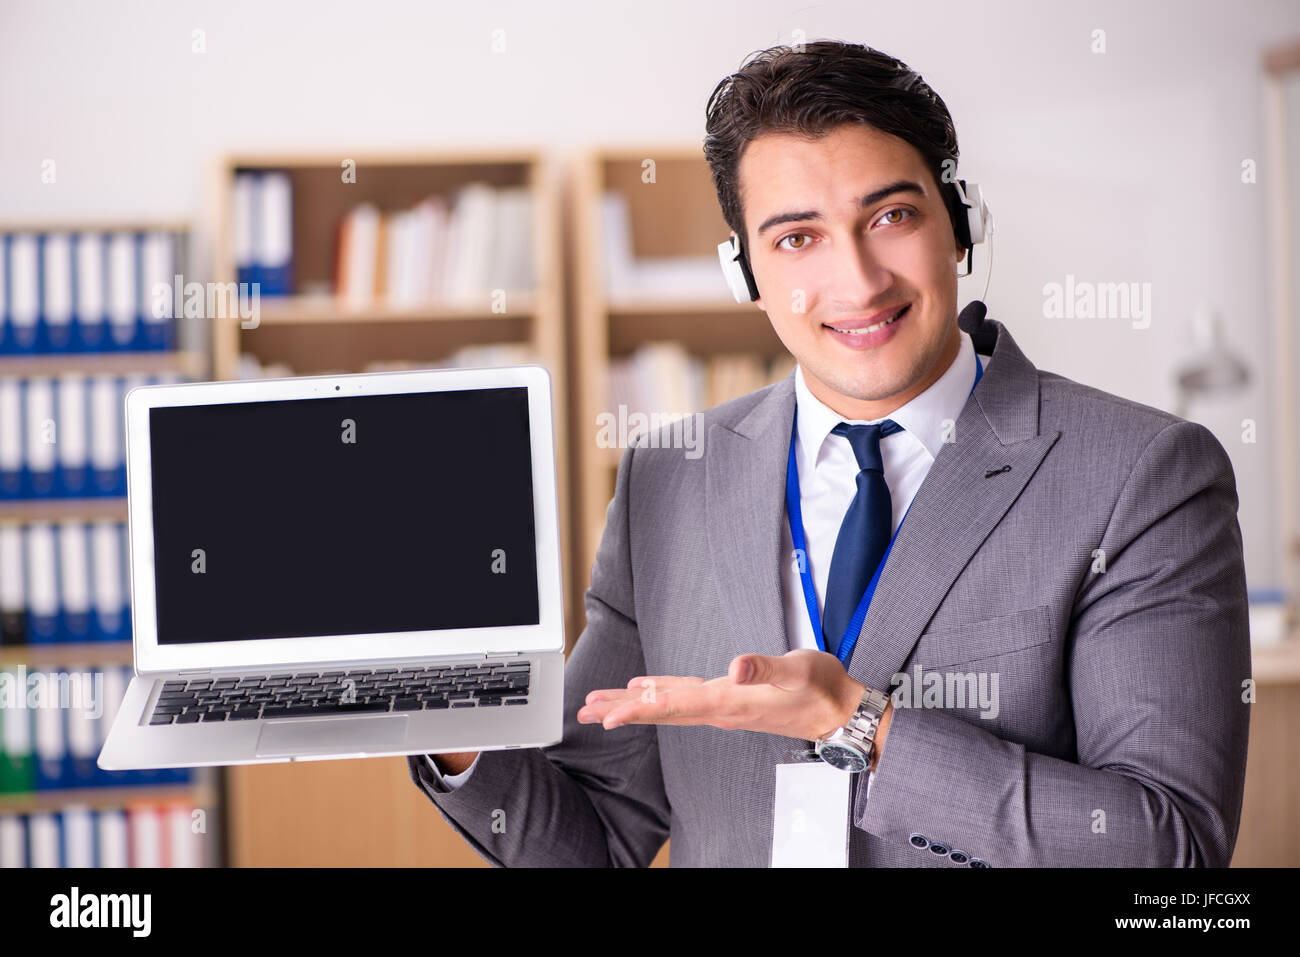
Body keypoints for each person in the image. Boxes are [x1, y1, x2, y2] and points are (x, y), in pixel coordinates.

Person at [407, 39, 1250, 867]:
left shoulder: (1141, 473)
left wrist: (860, 723)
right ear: (746, 274)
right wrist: (453, 723)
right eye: (797, 238)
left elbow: (1167, 845)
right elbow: (593, 839)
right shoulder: (668, 477)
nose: (858, 281)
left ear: (959, 221)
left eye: (890, 216)